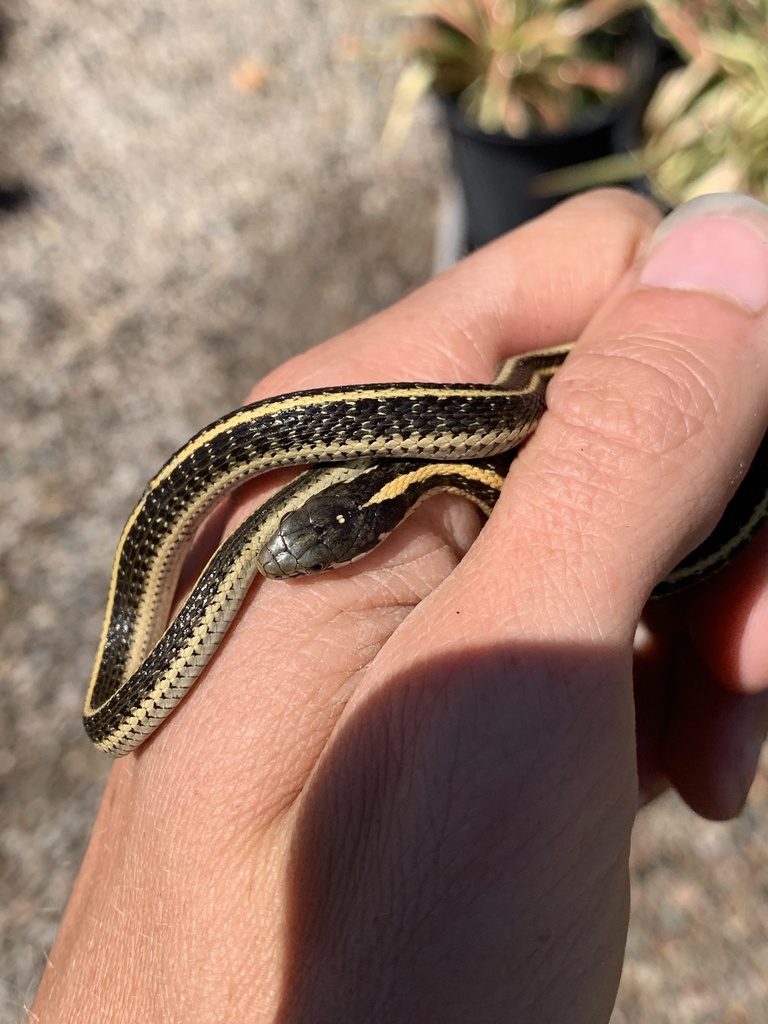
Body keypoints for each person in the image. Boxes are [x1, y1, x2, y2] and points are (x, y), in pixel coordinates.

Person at [32, 190, 768, 1023]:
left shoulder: (490, 423)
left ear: (371, 535)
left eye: (318, 561)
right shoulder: (436, 466)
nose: (288, 566)